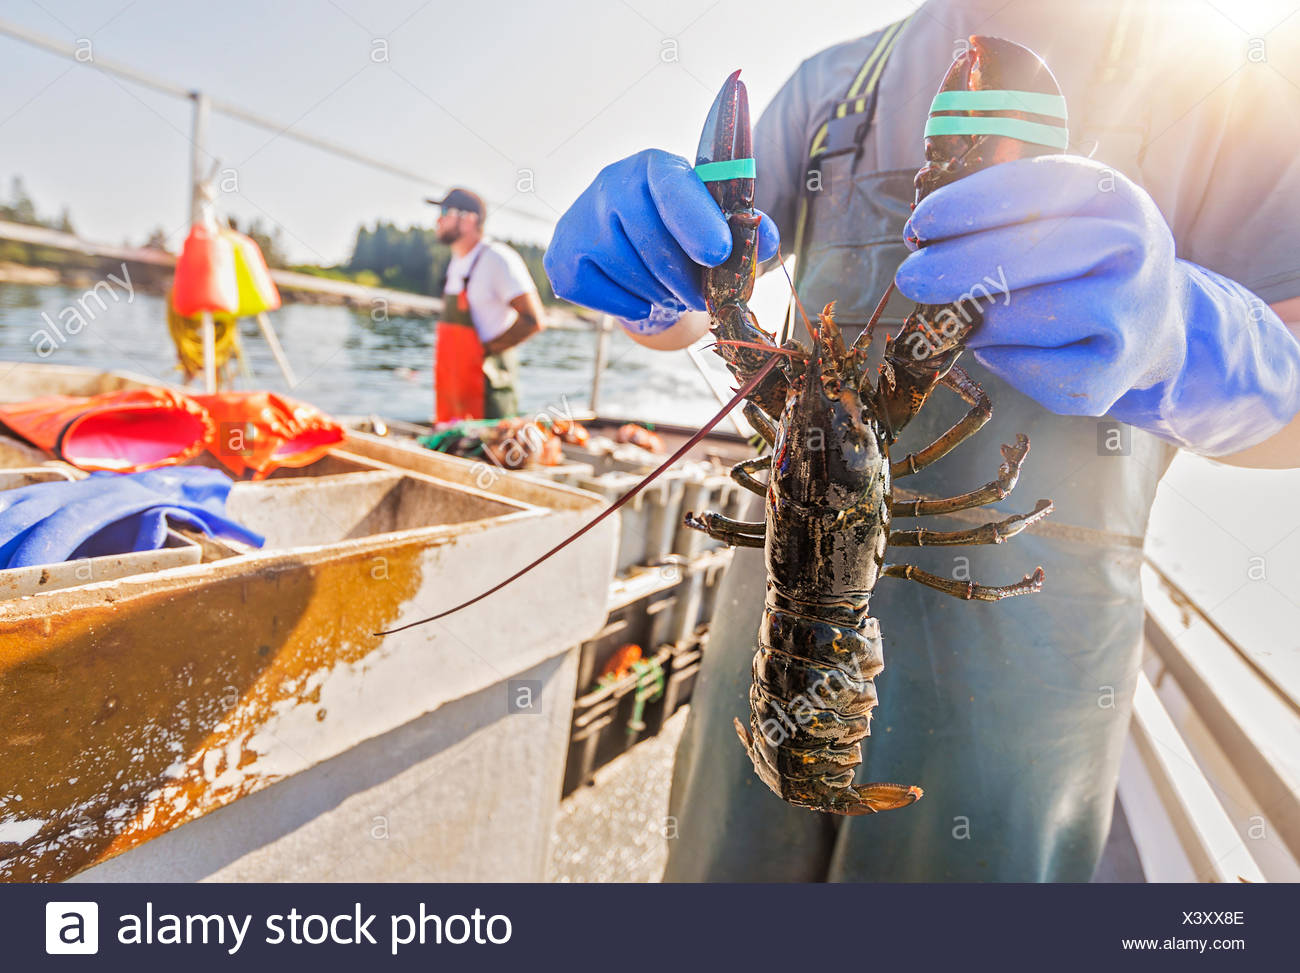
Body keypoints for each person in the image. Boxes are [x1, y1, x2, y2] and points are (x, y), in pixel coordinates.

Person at [544, 0, 1300, 881]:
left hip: (1024, 672)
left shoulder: (1225, 82)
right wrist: (653, 284)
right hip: (769, 642)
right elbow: (698, 300)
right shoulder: (837, 82)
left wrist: (1184, 331)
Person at [428, 188, 545, 422]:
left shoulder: (497, 258)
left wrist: (483, 352)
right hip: (453, 389)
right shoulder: (457, 261)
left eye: (444, 211)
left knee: (486, 454)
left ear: (468, 219)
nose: (437, 219)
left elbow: (534, 320)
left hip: (487, 392)